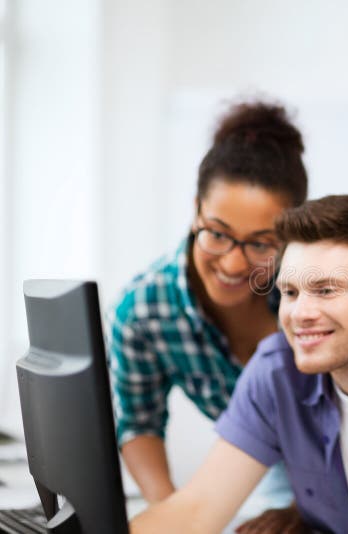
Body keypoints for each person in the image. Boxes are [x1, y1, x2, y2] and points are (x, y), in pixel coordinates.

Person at [129, 194, 348, 534]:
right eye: (289, 292)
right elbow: (197, 509)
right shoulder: (277, 372)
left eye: (325, 290)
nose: (299, 314)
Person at [108, 101, 306, 506]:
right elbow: (138, 421)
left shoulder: (315, 288)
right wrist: (168, 512)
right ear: (196, 211)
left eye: (260, 243)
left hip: (341, 467)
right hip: (260, 470)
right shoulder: (143, 309)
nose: (234, 263)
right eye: (217, 233)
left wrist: (305, 509)